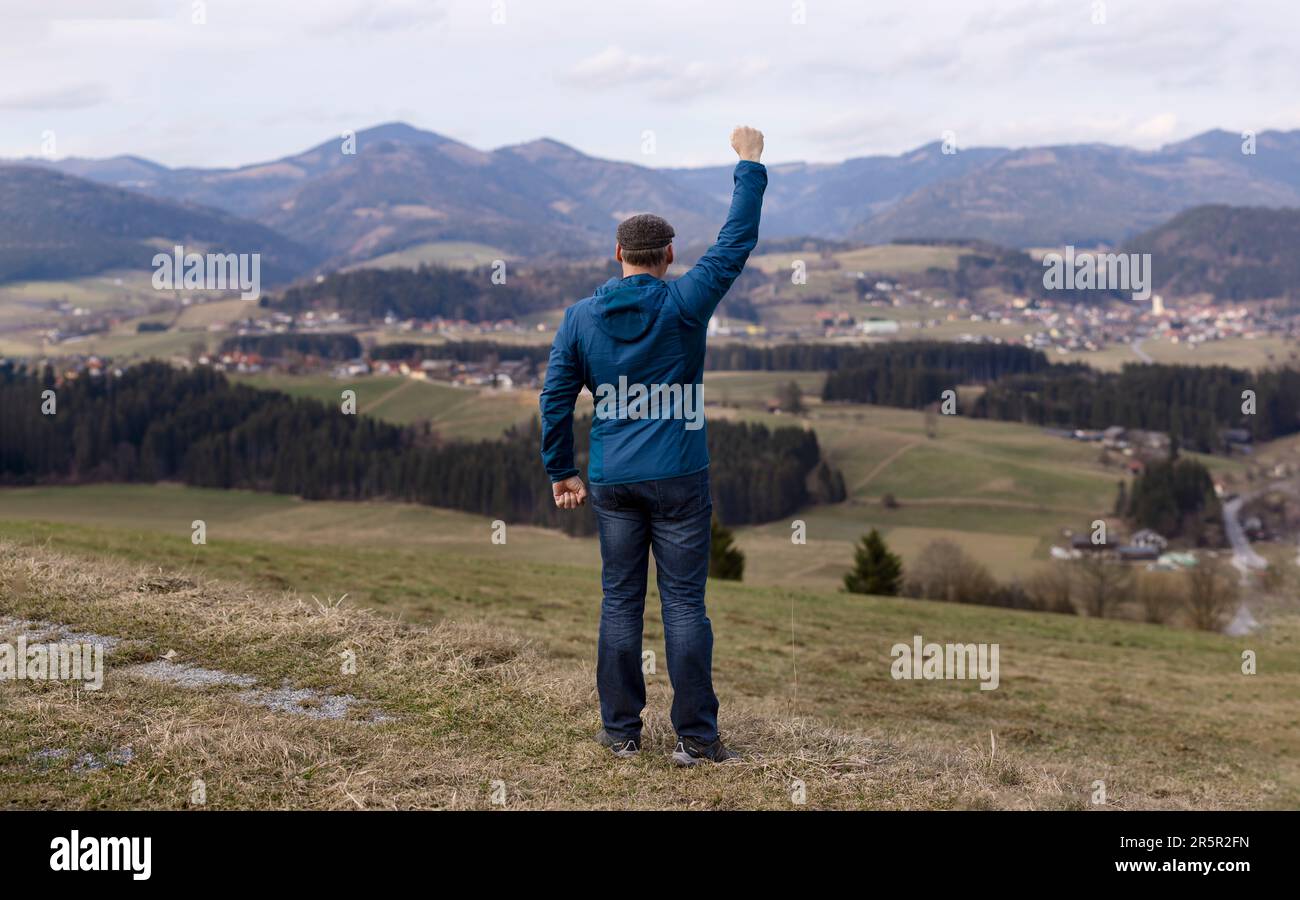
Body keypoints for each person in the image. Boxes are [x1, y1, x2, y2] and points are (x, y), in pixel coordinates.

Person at [539, 126, 767, 765]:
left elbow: (556, 398)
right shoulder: (687, 302)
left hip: (612, 479)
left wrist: (562, 470)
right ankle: (697, 739)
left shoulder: (580, 319)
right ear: (669, 254)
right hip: (680, 476)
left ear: (618, 254)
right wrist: (749, 162)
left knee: (619, 602)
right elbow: (736, 242)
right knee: (686, 606)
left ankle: (620, 736)